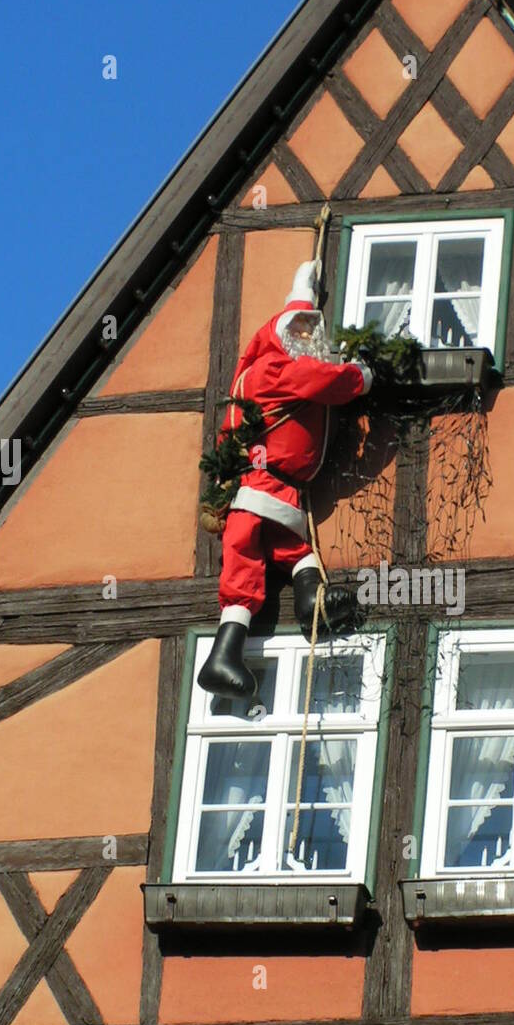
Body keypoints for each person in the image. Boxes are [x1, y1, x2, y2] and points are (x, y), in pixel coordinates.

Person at [197, 260, 372, 699]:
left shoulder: (251, 378)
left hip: (272, 489)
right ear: (281, 334)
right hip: (260, 487)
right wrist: (363, 375)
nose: (309, 341)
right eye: (301, 332)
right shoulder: (275, 369)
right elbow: (320, 380)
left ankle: (309, 599)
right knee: (245, 560)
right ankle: (223, 656)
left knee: (285, 548)